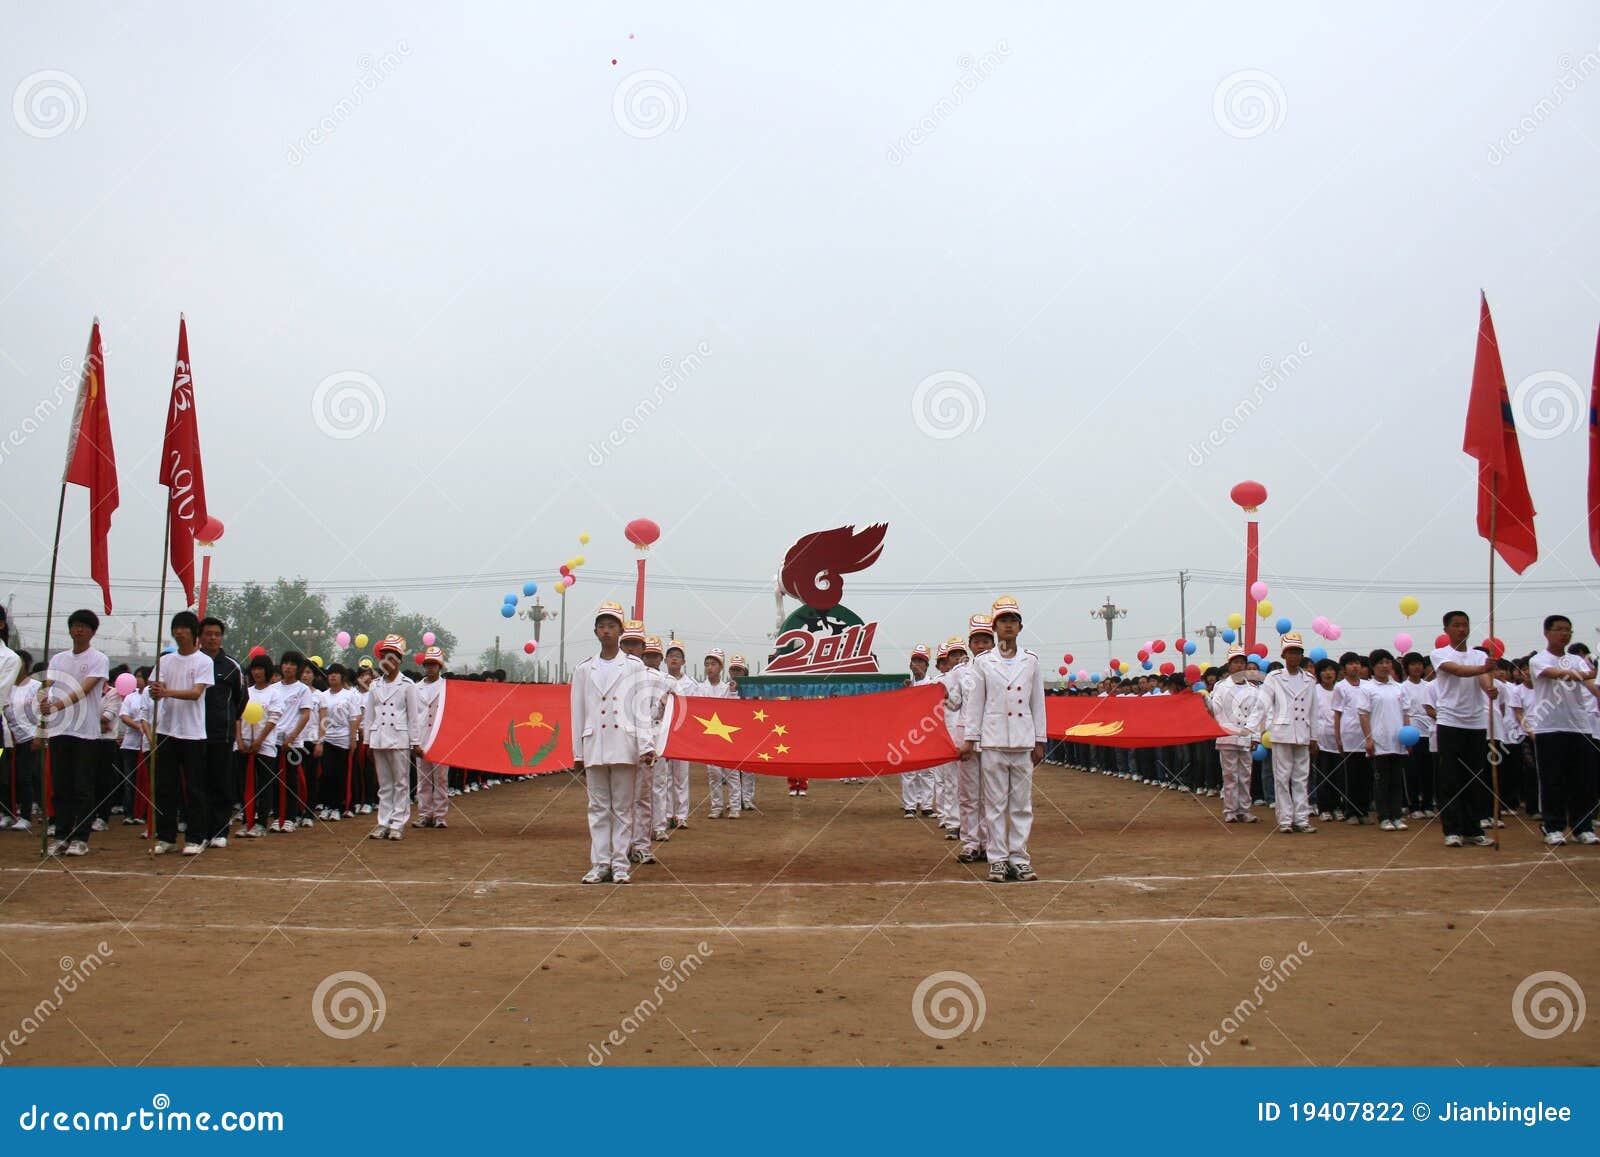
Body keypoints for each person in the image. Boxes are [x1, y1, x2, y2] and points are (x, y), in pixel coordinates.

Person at [959, 596, 1045, 883]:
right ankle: (997, 859)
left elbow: (1038, 703)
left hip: (1022, 740)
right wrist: (971, 738)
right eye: (1003, 621)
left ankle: (1019, 857)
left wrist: (1040, 740)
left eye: (1013, 621)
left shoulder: (1031, 660)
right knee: (994, 804)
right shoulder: (983, 662)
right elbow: (976, 703)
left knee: (1021, 805)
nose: (1008, 626)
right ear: (995, 627)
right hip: (994, 740)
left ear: (1020, 627)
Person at [571, 601, 656, 883]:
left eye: (611, 626)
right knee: (597, 807)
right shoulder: (584, 669)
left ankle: (620, 863)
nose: (606, 631)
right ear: (595, 631)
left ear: (620, 630)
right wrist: (577, 752)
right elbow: (578, 711)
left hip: (624, 742)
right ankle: (600, 863)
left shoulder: (633, 666)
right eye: (602, 626)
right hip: (594, 742)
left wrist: (646, 745)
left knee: (622, 807)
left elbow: (641, 709)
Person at [1527, 615, 1600, 845]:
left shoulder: (1576, 660)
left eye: (1568, 630)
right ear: (1547, 632)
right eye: (1559, 629)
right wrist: (1585, 674)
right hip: (1549, 727)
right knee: (1552, 779)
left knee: (1582, 779)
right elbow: (1555, 674)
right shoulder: (1539, 660)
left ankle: (1583, 826)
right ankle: (1552, 826)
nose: (1565, 634)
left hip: (1579, 726)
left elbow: (1590, 683)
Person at [41, 609, 109, 856]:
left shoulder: (98, 658)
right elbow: (49, 687)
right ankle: (61, 835)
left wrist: (58, 705)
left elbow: (84, 689)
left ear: (92, 632)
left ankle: (81, 837)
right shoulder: (58, 659)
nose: (79, 630)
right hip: (61, 729)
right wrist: (44, 702)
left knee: (82, 787)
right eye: (75, 626)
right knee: (61, 786)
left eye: (84, 626)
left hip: (86, 732)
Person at [147, 610, 215, 855]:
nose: (178, 632)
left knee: (194, 788)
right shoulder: (165, 660)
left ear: (193, 632)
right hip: (166, 730)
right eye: (175, 628)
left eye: (183, 628)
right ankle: (166, 836)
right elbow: (155, 688)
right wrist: (155, 691)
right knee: (165, 786)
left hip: (193, 733)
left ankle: (196, 837)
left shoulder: (203, 661)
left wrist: (166, 692)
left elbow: (196, 693)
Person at [1430, 612, 1498, 848]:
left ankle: (1473, 829)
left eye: (1465, 625)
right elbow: (1458, 670)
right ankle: (1452, 829)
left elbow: (1483, 679)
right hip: (1450, 722)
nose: (1462, 629)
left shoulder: (1479, 655)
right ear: (1446, 629)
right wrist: (1483, 669)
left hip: (1476, 723)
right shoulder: (1440, 654)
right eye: (1456, 625)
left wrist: (1490, 687)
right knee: (1450, 777)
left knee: (1475, 778)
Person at [363, 635, 424, 841]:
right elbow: (369, 715)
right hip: (379, 737)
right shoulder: (374, 685)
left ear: (398, 660)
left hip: (399, 737)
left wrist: (415, 742)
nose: (386, 662)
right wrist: (367, 741)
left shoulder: (408, 685)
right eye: (383, 658)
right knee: (384, 783)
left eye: (390, 657)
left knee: (401, 783)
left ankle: (398, 823)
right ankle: (383, 822)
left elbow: (414, 717)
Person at [197, 617, 246, 848]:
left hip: (221, 733)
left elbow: (241, 698)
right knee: (198, 783)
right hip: (193, 733)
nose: (213, 638)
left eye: (217, 634)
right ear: (200, 637)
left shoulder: (231, 666)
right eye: (208, 634)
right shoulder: (193, 662)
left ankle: (219, 830)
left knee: (220, 782)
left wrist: (227, 718)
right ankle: (200, 830)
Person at [1262, 632, 1316, 833]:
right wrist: (1270, 727)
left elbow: (1314, 709)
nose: (1294, 656)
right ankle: (1285, 820)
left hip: (1302, 732)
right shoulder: (1274, 677)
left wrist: (1314, 737)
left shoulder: (1309, 679)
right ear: (1284, 656)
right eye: (1290, 652)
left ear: (1301, 655)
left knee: (1302, 778)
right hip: (1281, 733)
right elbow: (1265, 704)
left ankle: (1302, 819)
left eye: (1297, 652)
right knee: (1282, 777)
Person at [1209, 646, 1265, 823]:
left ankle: (1245, 810)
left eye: (1242, 662)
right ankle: (1230, 810)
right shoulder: (1221, 687)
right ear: (1229, 665)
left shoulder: (1254, 689)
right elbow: (1215, 709)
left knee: (1246, 774)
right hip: (1227, 736)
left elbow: (1258, 714)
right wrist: (1205, 702)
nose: (1239, 666)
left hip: (1246, 736)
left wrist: (1255, 737)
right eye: (1236, 662)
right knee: (1230, 775)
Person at [955, 614, 994, 861]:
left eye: (985, 641)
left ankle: (991, 843)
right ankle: (970, 843)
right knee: (968, 794)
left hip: (993, 737)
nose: (981, 645)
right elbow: (951, 703)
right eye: (976, 641)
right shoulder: (960, 672)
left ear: (993, 643)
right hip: (965, 738)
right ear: (970, 645)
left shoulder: (1002, 670)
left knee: (992, 795)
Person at [1362, 649, 1412, 830]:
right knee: (1381, 780)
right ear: (1373, 667)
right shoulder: (1367, 688)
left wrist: (1408, 736)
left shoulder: (1399, 687)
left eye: (1387, 662)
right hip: (1379, 741)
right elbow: (1364, 715)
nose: (1384, 666)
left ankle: (1397, 815)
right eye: (1380, 663)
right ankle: (1384, 817)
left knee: (1396, 780)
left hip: (1398, 741)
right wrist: (1368, 739)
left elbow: (1406, 713)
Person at [237, 653, 280, 837]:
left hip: (265, 746)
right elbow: (238, 717)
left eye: (261, 668)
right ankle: (247, 820)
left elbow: (273, 718)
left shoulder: (274, 693)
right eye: (254, 668)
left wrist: (259, 740)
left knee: (264, 786)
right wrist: (239, 739)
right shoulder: (245, 691)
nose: (257, 672)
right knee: (245, 785)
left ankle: (261, 823)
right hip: (244, 745)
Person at [1331, 651, 1372, 825]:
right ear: (1344, 668)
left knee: (1365, 775)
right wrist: (1338, 736)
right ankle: (1350, 811)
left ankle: (1363, 810)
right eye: (1350, 663)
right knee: (1351, 775)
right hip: (1349, 735)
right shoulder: (1340, 687)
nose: (1355, 666)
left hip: (1366, 735)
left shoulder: (1367, 685)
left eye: (1357, 663)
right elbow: (1337, 714)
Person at [411, 647, 450, 829]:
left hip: (441, 738)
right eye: (427, 664)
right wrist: (413, 741)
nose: (429, 667)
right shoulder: (415, 688)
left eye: (433, 664)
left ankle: (440, 815)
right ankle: (425, 813)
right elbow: (411, 715)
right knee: (423, 778)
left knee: (441, 779)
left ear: (439, 666)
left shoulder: (447, 687)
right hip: (421, 737)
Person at [700, 649, 739, 819]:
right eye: (707, 664)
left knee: (732, 772)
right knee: (713, 773)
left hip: (728, 734)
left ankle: (735, 806)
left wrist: (733, 693)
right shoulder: (700, 688)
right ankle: (716, 806)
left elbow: (735, 710)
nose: (710, 668)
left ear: (721, 667)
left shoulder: (728, 688)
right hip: (709, 735)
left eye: (713, 664)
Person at [3, 652, 39, 832]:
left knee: (24, 777)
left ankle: (26, 816)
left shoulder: (35, 686)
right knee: (4, 777)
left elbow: (44, 714)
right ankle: (7, 813)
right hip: (8, 741)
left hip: (29, 739)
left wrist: (39, 736)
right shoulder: (6, 688)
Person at [660, 640, 693, 829]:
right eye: (671, 655)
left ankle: (681, 815)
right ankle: (666, 813)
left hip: (683, 734)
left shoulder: (691, 684)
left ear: (683, 661)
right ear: (665, 660)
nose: (674, 659)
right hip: (663, 732)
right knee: (664, 777)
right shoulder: (659, 680)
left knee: (681, 776)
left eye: (678, 656)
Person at [902, 644, 936, 818]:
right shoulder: (907, 686)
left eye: (921, 661)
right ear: (910, 665)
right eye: (914, 661)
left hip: (927, 731)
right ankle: (909, 806)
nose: (917, 665)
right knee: (909, 770)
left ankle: (926, 805)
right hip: (909, 731)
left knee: (927, 771)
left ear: (927, 665)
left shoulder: (933, 684)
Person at [728, 655, 758, 813]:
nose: (735, 672)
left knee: (748, 768)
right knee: (733, 769)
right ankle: (734, 799)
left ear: (745, 671)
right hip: (730, 732)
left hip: (748, 732)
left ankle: (747, 799)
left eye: (738, 669)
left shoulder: (753, 689)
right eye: (733, 669)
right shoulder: (726, 687)